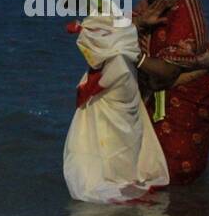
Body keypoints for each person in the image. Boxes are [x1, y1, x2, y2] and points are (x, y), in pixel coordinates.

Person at [62, 12, 169, 203]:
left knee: (114, 141)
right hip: (128, 109)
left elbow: (95, 87)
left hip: (118, 106)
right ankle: (128, 176)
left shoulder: (117, 61)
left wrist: (84, 91)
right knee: (127, 141)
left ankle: (118, 179)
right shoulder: (125, 55)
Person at [132, 0, 209, 184]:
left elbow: (169, 69)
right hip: (157, 91)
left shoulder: (185, 16)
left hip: (190, 91)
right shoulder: (144, 11)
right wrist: (139, 25)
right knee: (155, 154)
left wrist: (137, 58)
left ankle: (186, 206)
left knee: (183, 158)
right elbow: (114, 34)